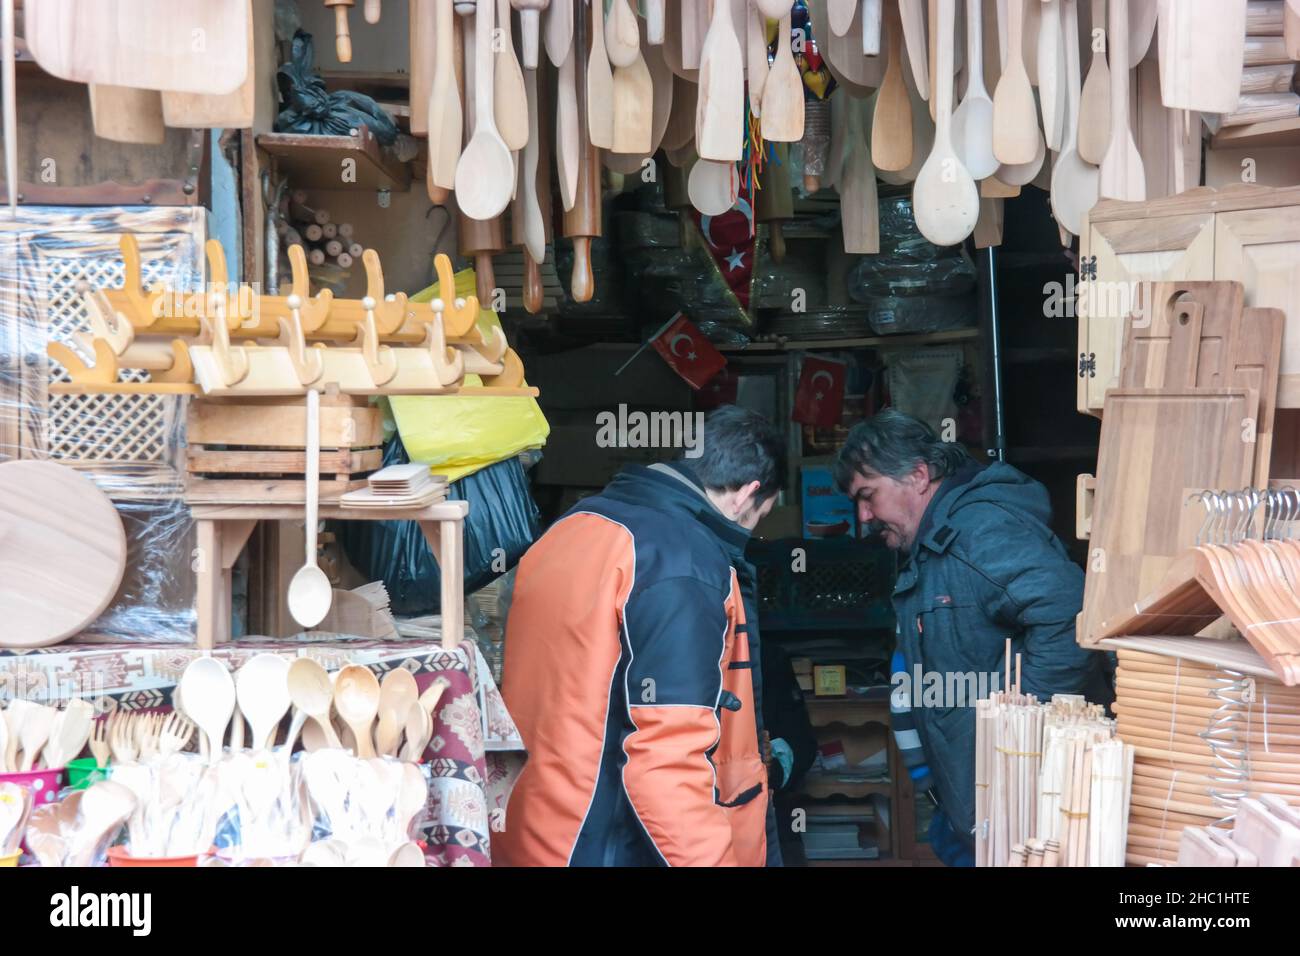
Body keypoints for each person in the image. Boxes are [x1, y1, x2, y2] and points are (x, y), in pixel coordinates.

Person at [496, 405, 787, 866]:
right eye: (760, 516)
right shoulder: (679, 561)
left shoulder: (569, 529)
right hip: (605, 845)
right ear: (747, 493)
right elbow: (666, 765)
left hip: (532, 830)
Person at [833, 409, 1104, 866]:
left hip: (1016, 814)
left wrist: (1026, 721)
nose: (863, 517)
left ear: (918, 476)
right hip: (971, 808)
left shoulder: (977, 534)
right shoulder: (937, 544)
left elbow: (1068, 610)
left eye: (868, 496)